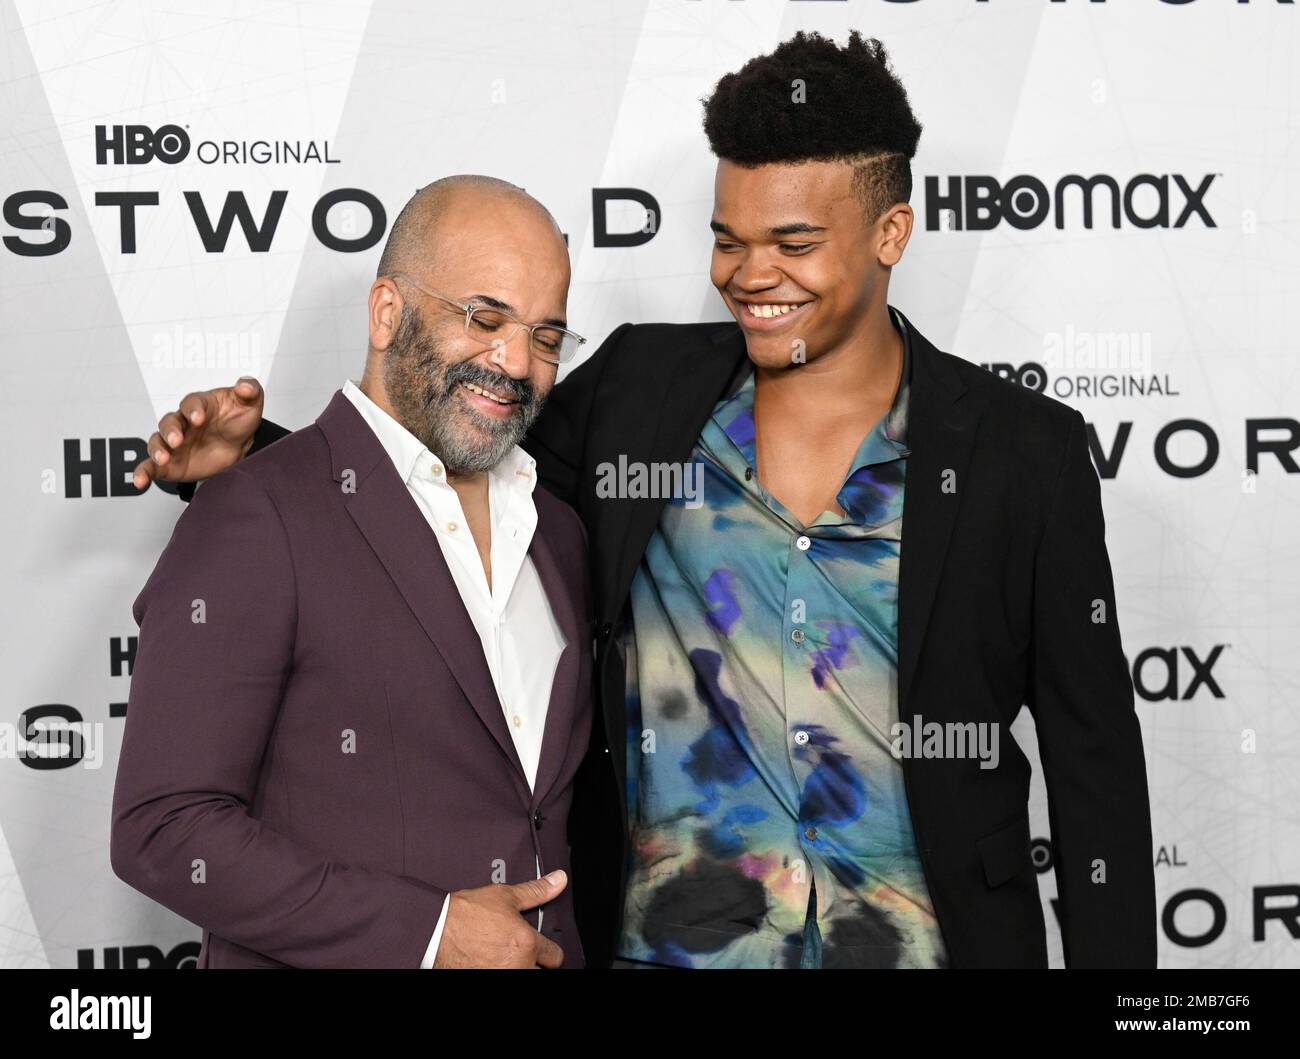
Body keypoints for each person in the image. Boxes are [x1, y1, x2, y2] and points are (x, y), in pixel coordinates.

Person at [135, 33, 1156, 969]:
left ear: (891, 232)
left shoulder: (1025, 456)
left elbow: (1094, 765)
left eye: (792, 243)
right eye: (728, 239)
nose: (751, 277)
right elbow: (453, 463)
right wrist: (247, 466)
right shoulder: (637, 394)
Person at [112, 176, 595, 968]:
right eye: (485, 317)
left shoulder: (560, 533)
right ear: (387, 312)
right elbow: (163, 826)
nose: (515, 362)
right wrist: (431, 934)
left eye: (546, 337)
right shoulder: (255, 513)